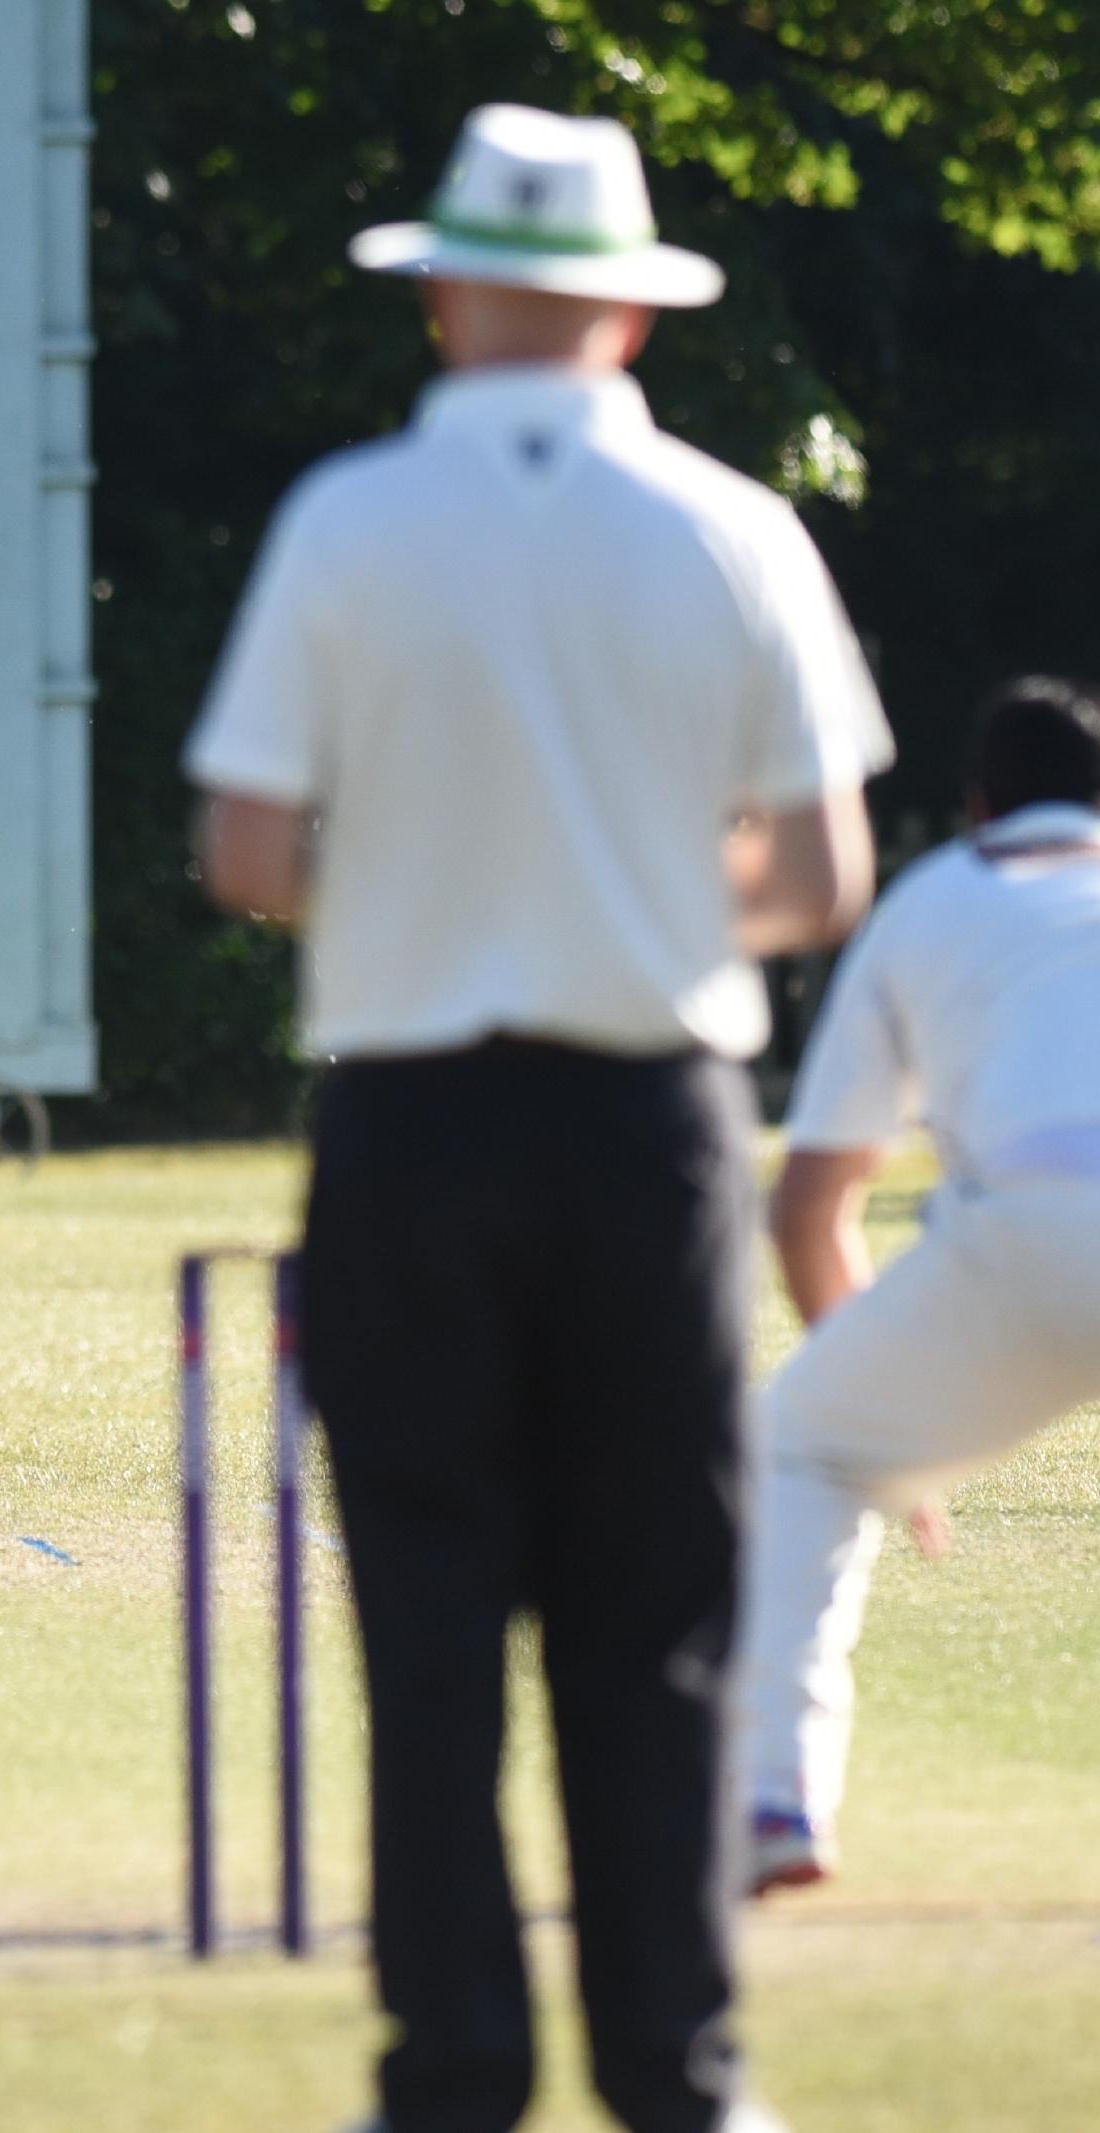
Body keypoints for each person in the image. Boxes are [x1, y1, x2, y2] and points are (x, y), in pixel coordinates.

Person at [184, 106, 888, 2133]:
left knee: (423, 1610)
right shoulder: (733, 525)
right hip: (649, 1114)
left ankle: (451, 2073)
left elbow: (246, 844)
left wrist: (419, 884)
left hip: (409, 1114)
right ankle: (678, 2069)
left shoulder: (347, 517)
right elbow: (822, 871)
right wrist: (650, 892)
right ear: (625, 317)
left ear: (450, 298)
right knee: (654, 1617)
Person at [740, 675, 1100, 1896]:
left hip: (1031, 1237)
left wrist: (883, 1432)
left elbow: (809, 1204)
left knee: (798, 1449)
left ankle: (777, 1799)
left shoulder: (932, 900)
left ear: (974, 806)